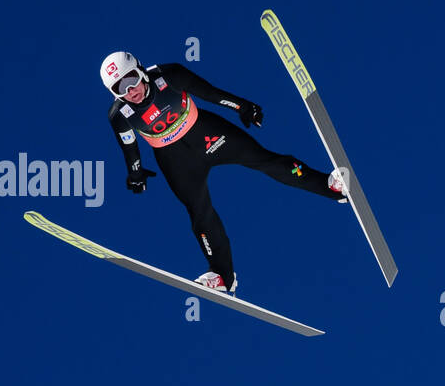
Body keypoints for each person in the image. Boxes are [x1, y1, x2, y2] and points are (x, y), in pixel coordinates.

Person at [101, 51, 347, 293]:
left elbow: (209, 92)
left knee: (265, 160)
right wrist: (135, 174)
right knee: (199, 213)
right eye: (119, 89)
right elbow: (129, 146)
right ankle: (222, 275)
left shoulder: (169, 75)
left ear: (141, 69)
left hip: (209, 134)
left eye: (131, 79)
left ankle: (330, 186)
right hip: (176, 161)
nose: (130, 91)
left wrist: (242, 106)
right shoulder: (120, 115)